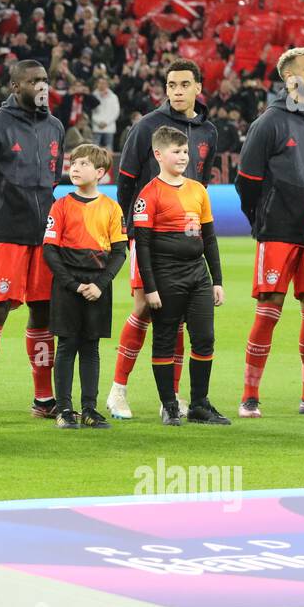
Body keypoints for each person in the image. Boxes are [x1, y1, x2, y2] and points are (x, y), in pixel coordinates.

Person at [108, 60, 219, 419]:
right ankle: (118, 390)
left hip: (185, 231)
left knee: (183, 319)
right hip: (148, 233)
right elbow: (126, 179)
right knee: (144, 308)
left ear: (198, 88)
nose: (177, 91)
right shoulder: (147, 127)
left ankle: (170, 399)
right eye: (171, 84)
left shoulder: (208, 132)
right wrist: (127, 231)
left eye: (185, 84)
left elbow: (200, 179)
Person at [0, 59, 64, 423]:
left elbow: (52, 180)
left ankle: (44, 398)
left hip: (43, 237)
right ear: (15, 86)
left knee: (43, 312)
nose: (41, 87)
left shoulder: (55, 127)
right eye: (34, 81)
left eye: (45, 81)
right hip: (5, 235)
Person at [234, 47, 304, 418]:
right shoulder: (268, 123)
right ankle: (249, 395)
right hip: (277, 232)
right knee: (268, 311)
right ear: (291, 78)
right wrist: (261, 221)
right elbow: (246, 182)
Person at [131, 126, 228, 426]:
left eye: (185, 151)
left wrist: (218, 280)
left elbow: (209, 238)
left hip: (197, 273)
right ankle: (170, 405)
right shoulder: (148, 194)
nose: (183, 156)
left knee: (205, 338)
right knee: (164, 340)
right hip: (165, 274)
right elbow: (143, 245)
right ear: (159, 155)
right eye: (176, 151)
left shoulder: (198, 190)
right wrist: (150, 287)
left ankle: (199, 403)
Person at [42, 143, 126, 429]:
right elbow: (50, 250)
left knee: (91, 347)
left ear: (100, 172)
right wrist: (73, 284)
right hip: (68, 286)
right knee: (66, 345)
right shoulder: (61, 205)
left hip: (98, 286)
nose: (75, 168)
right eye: (73, 163)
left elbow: (119, 252)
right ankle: (64, 410)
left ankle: (89, 408)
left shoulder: (112, 208)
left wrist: (100, 285)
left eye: (83, 164)